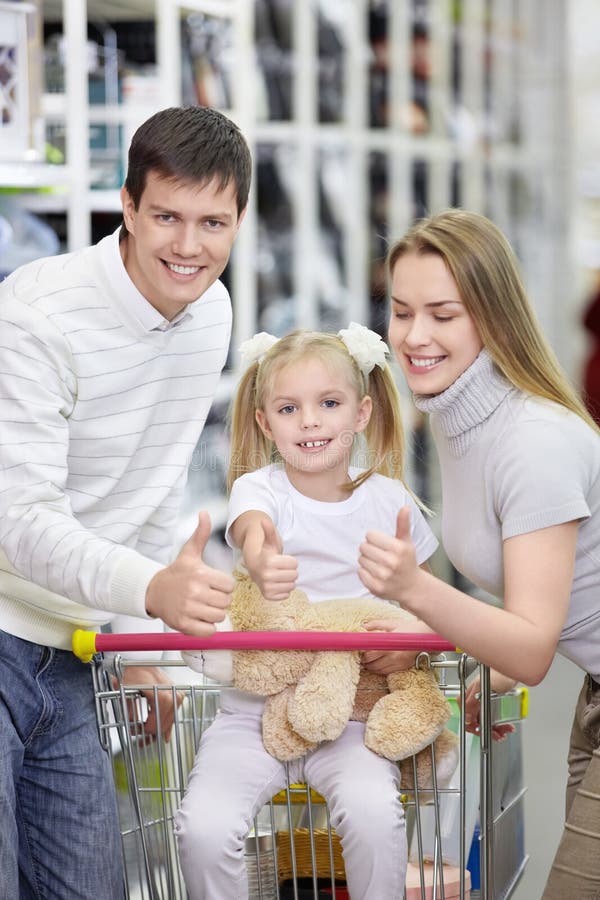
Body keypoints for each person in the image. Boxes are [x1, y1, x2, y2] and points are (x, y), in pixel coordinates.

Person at [0, 105, 251, 900]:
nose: (188, 246)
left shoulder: (211, 314)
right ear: (128, 207)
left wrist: (140, 643)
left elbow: (154, 483)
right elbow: (18, 524)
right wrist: (149, 593)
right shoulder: (36, 314)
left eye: (213, 222)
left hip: (73, 652)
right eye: (166, 217)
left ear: (240, 219)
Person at [358, 208, 600, 899]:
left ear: (491, 318)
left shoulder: (533, 444)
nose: (415, 335)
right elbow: (542, 611)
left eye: (443, 313)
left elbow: (527, 650)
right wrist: (459, 670)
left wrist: (414, 591)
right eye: (401, 311)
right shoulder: (457, 418)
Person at [175, 324, 439, 899]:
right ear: (266, 423)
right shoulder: (260, 488)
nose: (311, 421)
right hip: (252, 712)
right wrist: (262, 558)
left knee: (374, 815)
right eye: (290, 408)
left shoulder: (390, 501)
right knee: (203, 827)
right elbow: (254, 528)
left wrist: (415, 633)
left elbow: (428, 600)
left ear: (363, 413)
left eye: (329, 403)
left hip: (353, 716)